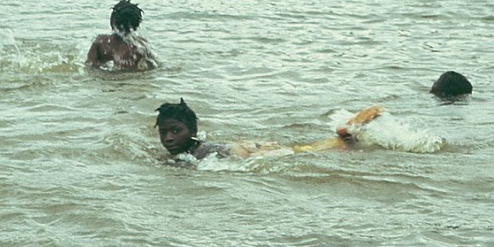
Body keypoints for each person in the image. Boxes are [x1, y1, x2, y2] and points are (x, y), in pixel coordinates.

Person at [154, 99, 384, 161]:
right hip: (243, 148)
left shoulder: (194, 156)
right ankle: (347, 135)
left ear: (193, 129)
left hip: (245, 152)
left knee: (304, 152)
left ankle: (347, 135)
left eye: (175, 131)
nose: (169, 138)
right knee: (302, 149)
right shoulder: (196, 148)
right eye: (163, 133)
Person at [85, 0, 158, 71]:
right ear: (137, 25)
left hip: (106, 80)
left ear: (112, 21)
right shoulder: (141, 46)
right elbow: (154, 66)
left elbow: (90, 68)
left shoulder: (100, 42)